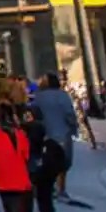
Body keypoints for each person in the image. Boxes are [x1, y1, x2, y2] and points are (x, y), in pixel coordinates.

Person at [32, 73, 78, 201]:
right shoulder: (62, 96)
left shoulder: (38, 97)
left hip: (44, 134)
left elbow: (33, 113)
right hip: (62, 133)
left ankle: (47, 187)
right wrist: (74, 128)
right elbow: (69, 114)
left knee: (44, 162)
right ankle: (61, 189)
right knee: (63, 163)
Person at [20, 105, 62, 212]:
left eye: (28, 115)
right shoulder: (45, 129)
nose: (26, 118)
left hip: (34, 169)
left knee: (27, 204)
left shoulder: (32, 128)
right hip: (46, 171)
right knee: (45, 203)